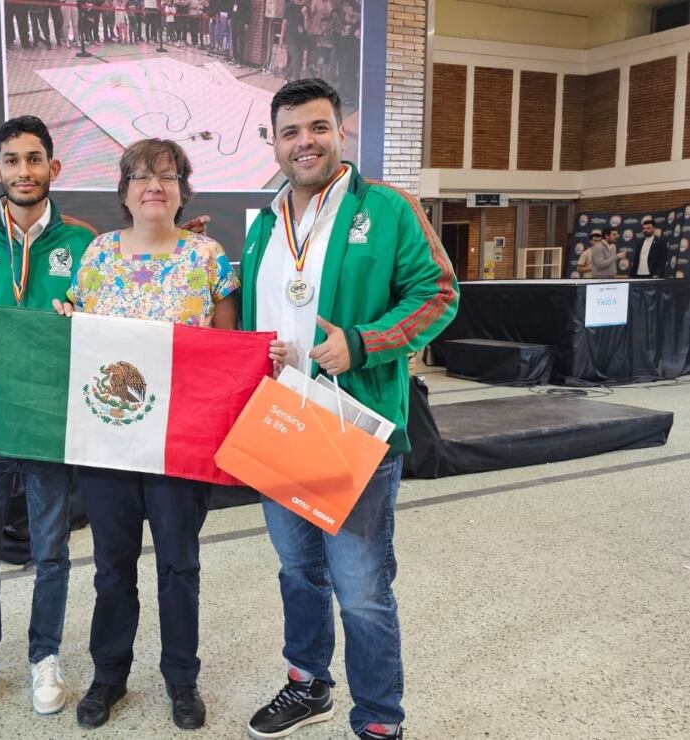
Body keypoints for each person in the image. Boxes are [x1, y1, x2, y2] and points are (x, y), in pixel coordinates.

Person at [240, 79, 458, 740]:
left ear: (339, 132)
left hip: (350, 425)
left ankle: (378, 718)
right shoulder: (264, 223)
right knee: (298, 572)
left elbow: (437, 293)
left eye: (316, 128)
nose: (303, 142)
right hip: (280, 423)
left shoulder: (388, 209)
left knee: (360, 587)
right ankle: (307, 684)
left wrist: (361, 345)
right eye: (289, 132)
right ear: (272, 143)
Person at [51, 138, 238, 732]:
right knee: (112, 565)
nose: (152, 185)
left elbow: (224, 352)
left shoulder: (209, 257)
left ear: (182, 189)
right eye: (140, 176)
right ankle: (109, 675)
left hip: (180, 440)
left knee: (179, 564)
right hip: (111, 440)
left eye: (166, 175)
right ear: (124, 191)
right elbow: (78, 331)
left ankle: (182, 679)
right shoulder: (99, 254)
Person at [0, 116, 97, 720]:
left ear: (54, 167)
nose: (23, 171)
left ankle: (44, 656)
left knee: (51, 551)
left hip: (52, 422)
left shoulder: (84, 242)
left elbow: (100, 332)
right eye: (12, 160)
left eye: (35, 159)